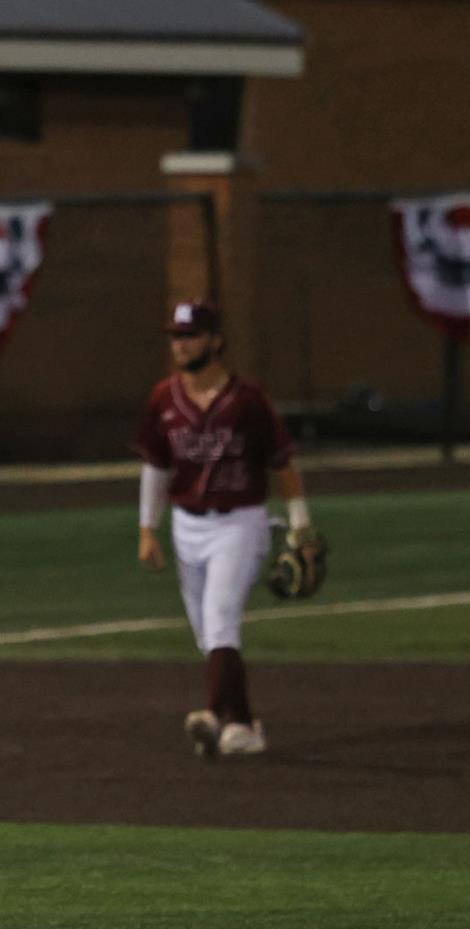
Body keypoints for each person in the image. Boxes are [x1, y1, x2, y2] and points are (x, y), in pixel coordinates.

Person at [134, 301, 321, 757]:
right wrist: (146, 529)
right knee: (210, 636)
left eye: (191, 335)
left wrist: (300, 528)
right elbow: (156, 467)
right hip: (186, 527)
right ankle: (244, 726)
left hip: (239, 523)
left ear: (216, 340)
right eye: (176, 337)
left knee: (219, 621)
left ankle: (214, 716)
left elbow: (283, 465)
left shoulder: (248, 400)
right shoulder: (164, 397)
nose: (181, 344)